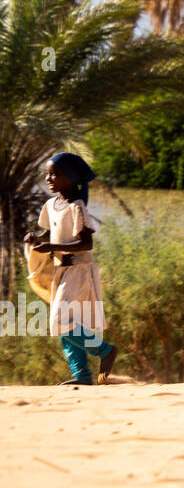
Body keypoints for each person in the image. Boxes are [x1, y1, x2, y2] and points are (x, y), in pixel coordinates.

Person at [23, 153, 118, 386]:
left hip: (78, 270)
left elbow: (86, 244)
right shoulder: (50, 205)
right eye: (47, 174)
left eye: (55, 174)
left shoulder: (77, 207)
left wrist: (52, 246)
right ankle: (82, 376)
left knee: (60, 320)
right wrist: (36, 238)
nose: (49, 178)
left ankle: (105, 351)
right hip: (60, 272)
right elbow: (49, 234)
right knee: (62, 324)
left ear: (72, 177)